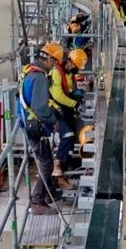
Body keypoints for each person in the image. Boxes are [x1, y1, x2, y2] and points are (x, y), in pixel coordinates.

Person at [17, 45, 60, 215]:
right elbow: (40, 108)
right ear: (50, 59)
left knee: (46, 158)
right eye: (55, 63)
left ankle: (48, 193)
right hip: (35, 125)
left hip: (27, 121)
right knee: (46, 163)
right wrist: (53, 119)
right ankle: (38, 201)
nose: (54, 66)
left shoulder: (28, 71)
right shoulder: (39, 77)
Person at [47, 45, 87, 189]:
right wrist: (74, 103)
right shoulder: (56, 72)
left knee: (70, 141)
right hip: (55, 109)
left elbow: (68, 90)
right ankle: (58, 170)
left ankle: (64, 170)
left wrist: (77, 95)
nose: (76, 71)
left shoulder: (68, 73)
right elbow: (58, 95)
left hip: (65, 109)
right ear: (69, 62)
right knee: (68, 135)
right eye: (75, 67)